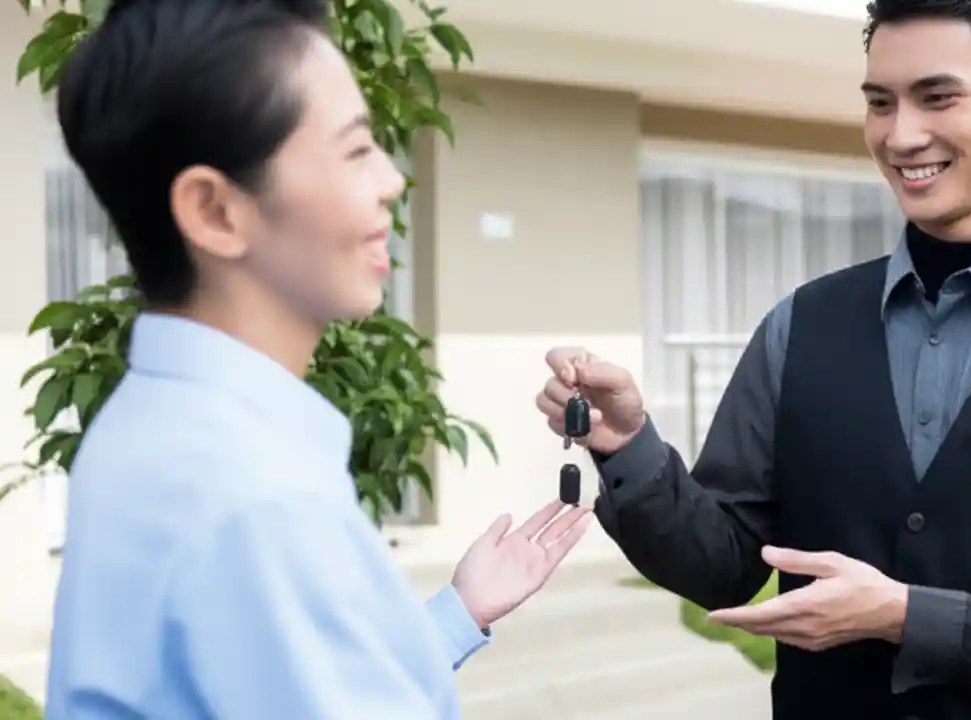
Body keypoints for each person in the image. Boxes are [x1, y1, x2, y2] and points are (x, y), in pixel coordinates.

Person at [538, 0, 971, 718]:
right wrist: (629, 446)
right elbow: (722, 566)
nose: (900, 135)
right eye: (880, 103)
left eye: (936, 97)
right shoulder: (799, 326)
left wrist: (909, 616)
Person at [44, 0, 594, 717]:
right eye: (357, 149)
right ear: (215, 211)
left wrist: (458, 612)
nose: (391, 182)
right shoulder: (255, 496)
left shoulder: (154, 429)